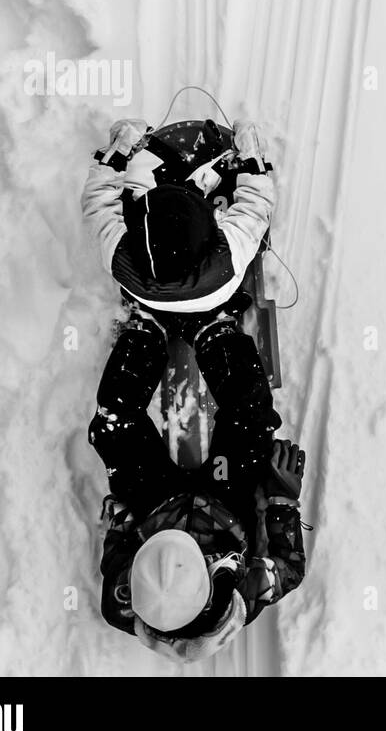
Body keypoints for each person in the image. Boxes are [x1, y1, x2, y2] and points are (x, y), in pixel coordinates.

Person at [81, 117, 305, 661]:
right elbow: (289, 568)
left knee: (114, 421)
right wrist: (280, 496)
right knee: (249, 417)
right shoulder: (247, 589)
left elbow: (117, 540)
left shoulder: (124, 597)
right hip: (223, 501)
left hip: (154, 500)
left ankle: (148, 334)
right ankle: (215, 333)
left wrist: (125, 514)